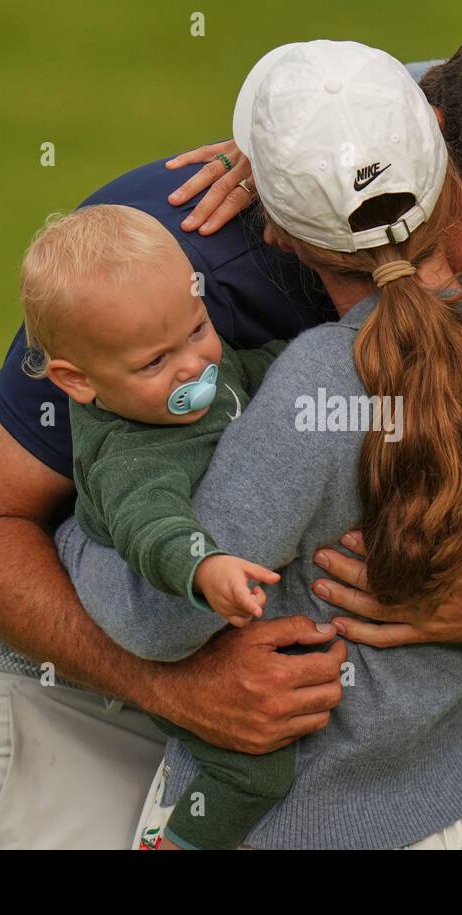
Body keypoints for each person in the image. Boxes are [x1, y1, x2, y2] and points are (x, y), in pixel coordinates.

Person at [0, 17, 462, 849]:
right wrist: (177, 687)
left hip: (314, 777)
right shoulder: (167, 260)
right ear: (432, 150)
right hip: (72, 709)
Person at [17, 203, 295, 850]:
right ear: (77, 380)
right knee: (257, 770)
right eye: (153, 363)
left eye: (197, 330)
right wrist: (204, 565)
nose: (192, 368)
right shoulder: (132, 454)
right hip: (156, 605)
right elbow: (154, 527)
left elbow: (262, 372)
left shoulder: (204, 366)